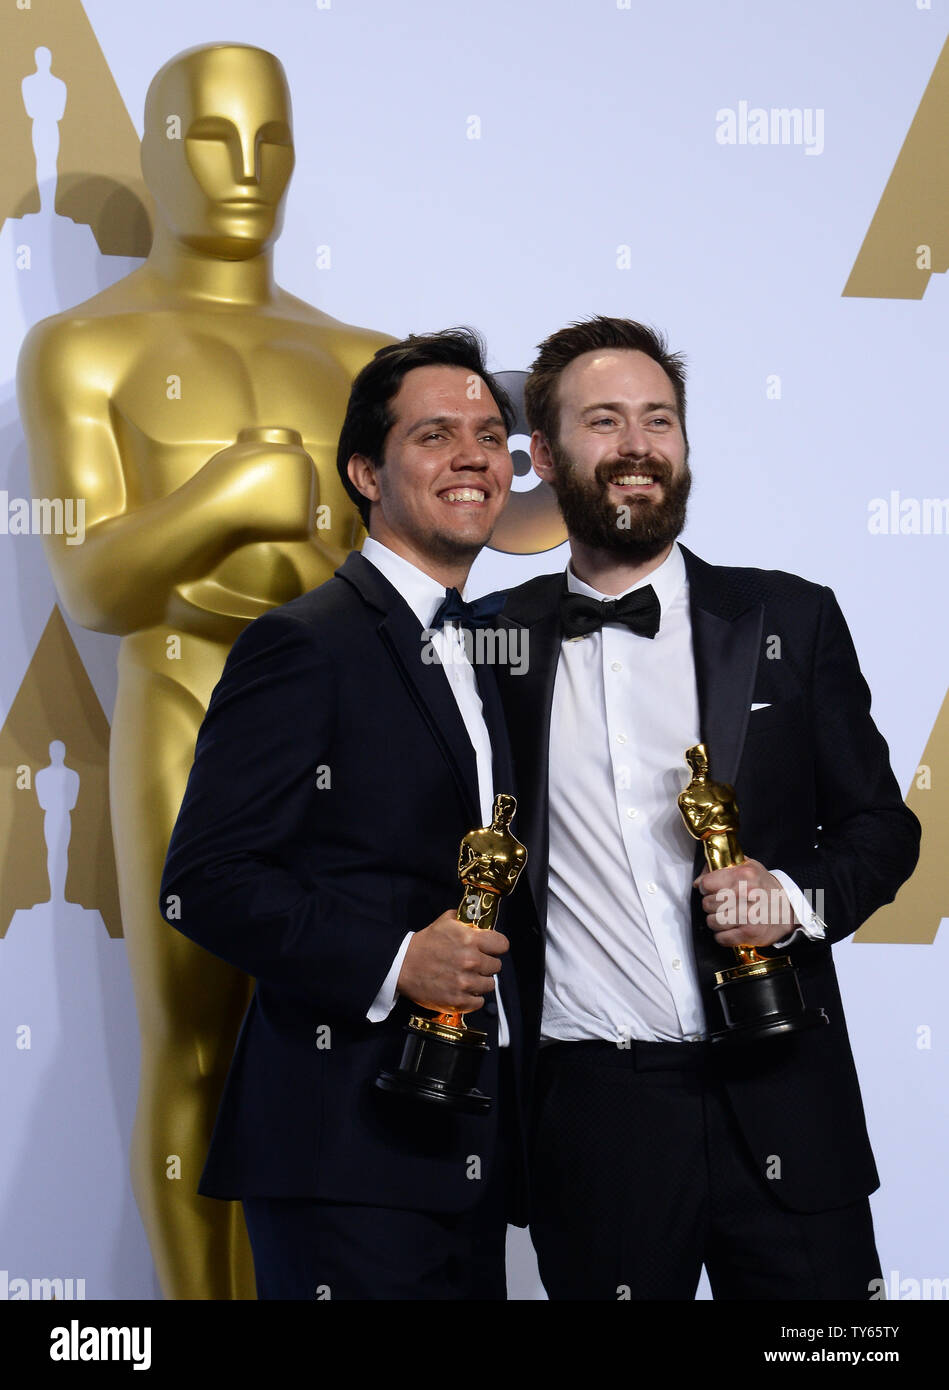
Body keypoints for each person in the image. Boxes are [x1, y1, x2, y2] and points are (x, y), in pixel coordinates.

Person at [496, 315, 920, 1300]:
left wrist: (792, 897)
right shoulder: (488, 644)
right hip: (595, 1119)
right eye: (604, 421)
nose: (638, 444)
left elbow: (881, 829)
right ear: (546, 458)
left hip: (783, 1095)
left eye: (660, 419)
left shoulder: (789, 617)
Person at [161, 327, 529, 1300]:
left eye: (490, 436)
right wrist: (397, 959)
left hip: (466, 1145)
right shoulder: (301, 644)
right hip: (341, 1152)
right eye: (434, 435)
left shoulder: (491, 656)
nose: (472, 458)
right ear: (366, 470)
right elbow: (204, 883)